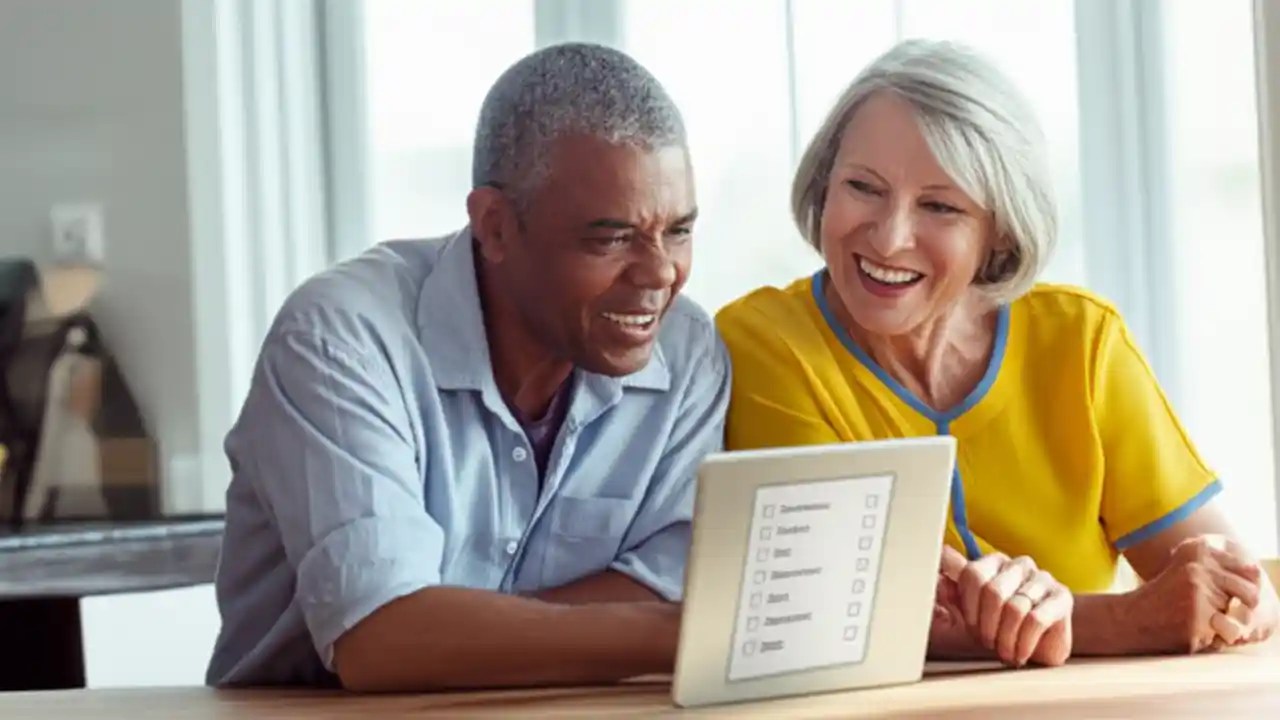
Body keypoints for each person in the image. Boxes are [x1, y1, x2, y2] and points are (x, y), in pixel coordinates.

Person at [716, 39, 1279, 665]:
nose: (891, 235)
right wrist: (1125, 620)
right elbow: (850, 618)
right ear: (825, 184)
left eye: (940, 205)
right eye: (863, 187)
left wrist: (1224, 593)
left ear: (1000, 230)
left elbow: (1249, 599)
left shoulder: (1082, 342)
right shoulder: (762, 342)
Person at [206, 42, 731, 691]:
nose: (660, 275)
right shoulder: (340, 338)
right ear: (495, 225)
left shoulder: (688, 353)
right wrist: (680, 632)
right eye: (611, 238)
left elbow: (665, 581)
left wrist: (458, 634)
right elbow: (385, 640)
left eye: (678, 231)